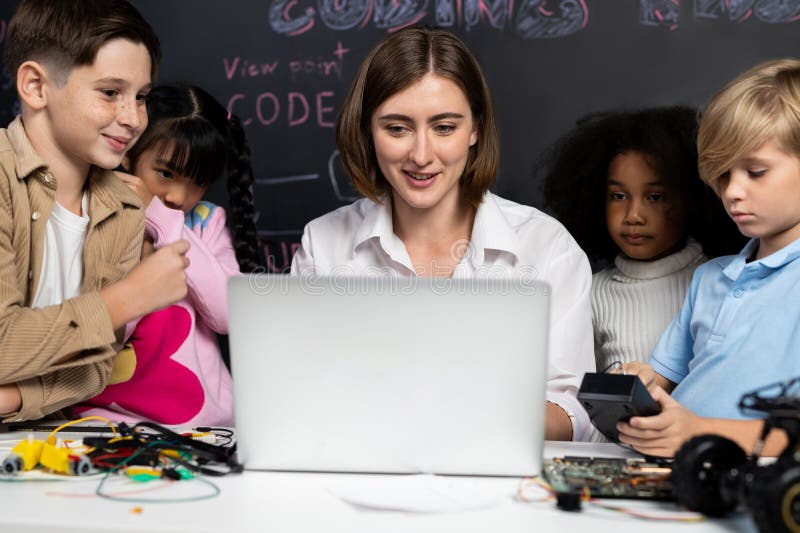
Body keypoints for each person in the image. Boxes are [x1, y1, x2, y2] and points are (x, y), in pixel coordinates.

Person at [291, 27, 595, 441]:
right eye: (397, 128)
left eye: (445, 127)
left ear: (475, 130)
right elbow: (299, 394)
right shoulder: (323, 244)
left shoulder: (546, 247)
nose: (421, 155)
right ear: (367, 131)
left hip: (498, 471)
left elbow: (574, 411)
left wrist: (465, 415)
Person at [0, 0, 191, 421]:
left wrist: (12, 398)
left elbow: (97, 367)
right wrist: (125, 299)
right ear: (35, 86)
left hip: (47, 438)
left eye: (141, 97)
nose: (133, 118)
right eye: (110, 93)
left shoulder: (125, 208)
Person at [618, 58, 800, 457]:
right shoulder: (711, 277)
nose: (731, 192)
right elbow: (665, 379)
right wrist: (641, 383)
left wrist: (698, 432)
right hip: (682, 471)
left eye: (756, 172)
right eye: (724, 174)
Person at [75, 85, 261, 426]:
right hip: (100, 422)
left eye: (197, 183)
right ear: (128, 153)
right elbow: (87, 328)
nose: (177, 196)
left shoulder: (204, 223)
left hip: (201, 427)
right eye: (165, 174)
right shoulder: (88, 216)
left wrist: (162, 220)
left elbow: (226, 315)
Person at [542, 107, 744, 373]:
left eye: (655, 197)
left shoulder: (723, 281)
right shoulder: (591, 293)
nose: (633, 216)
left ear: (691, 199)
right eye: (619, 196)